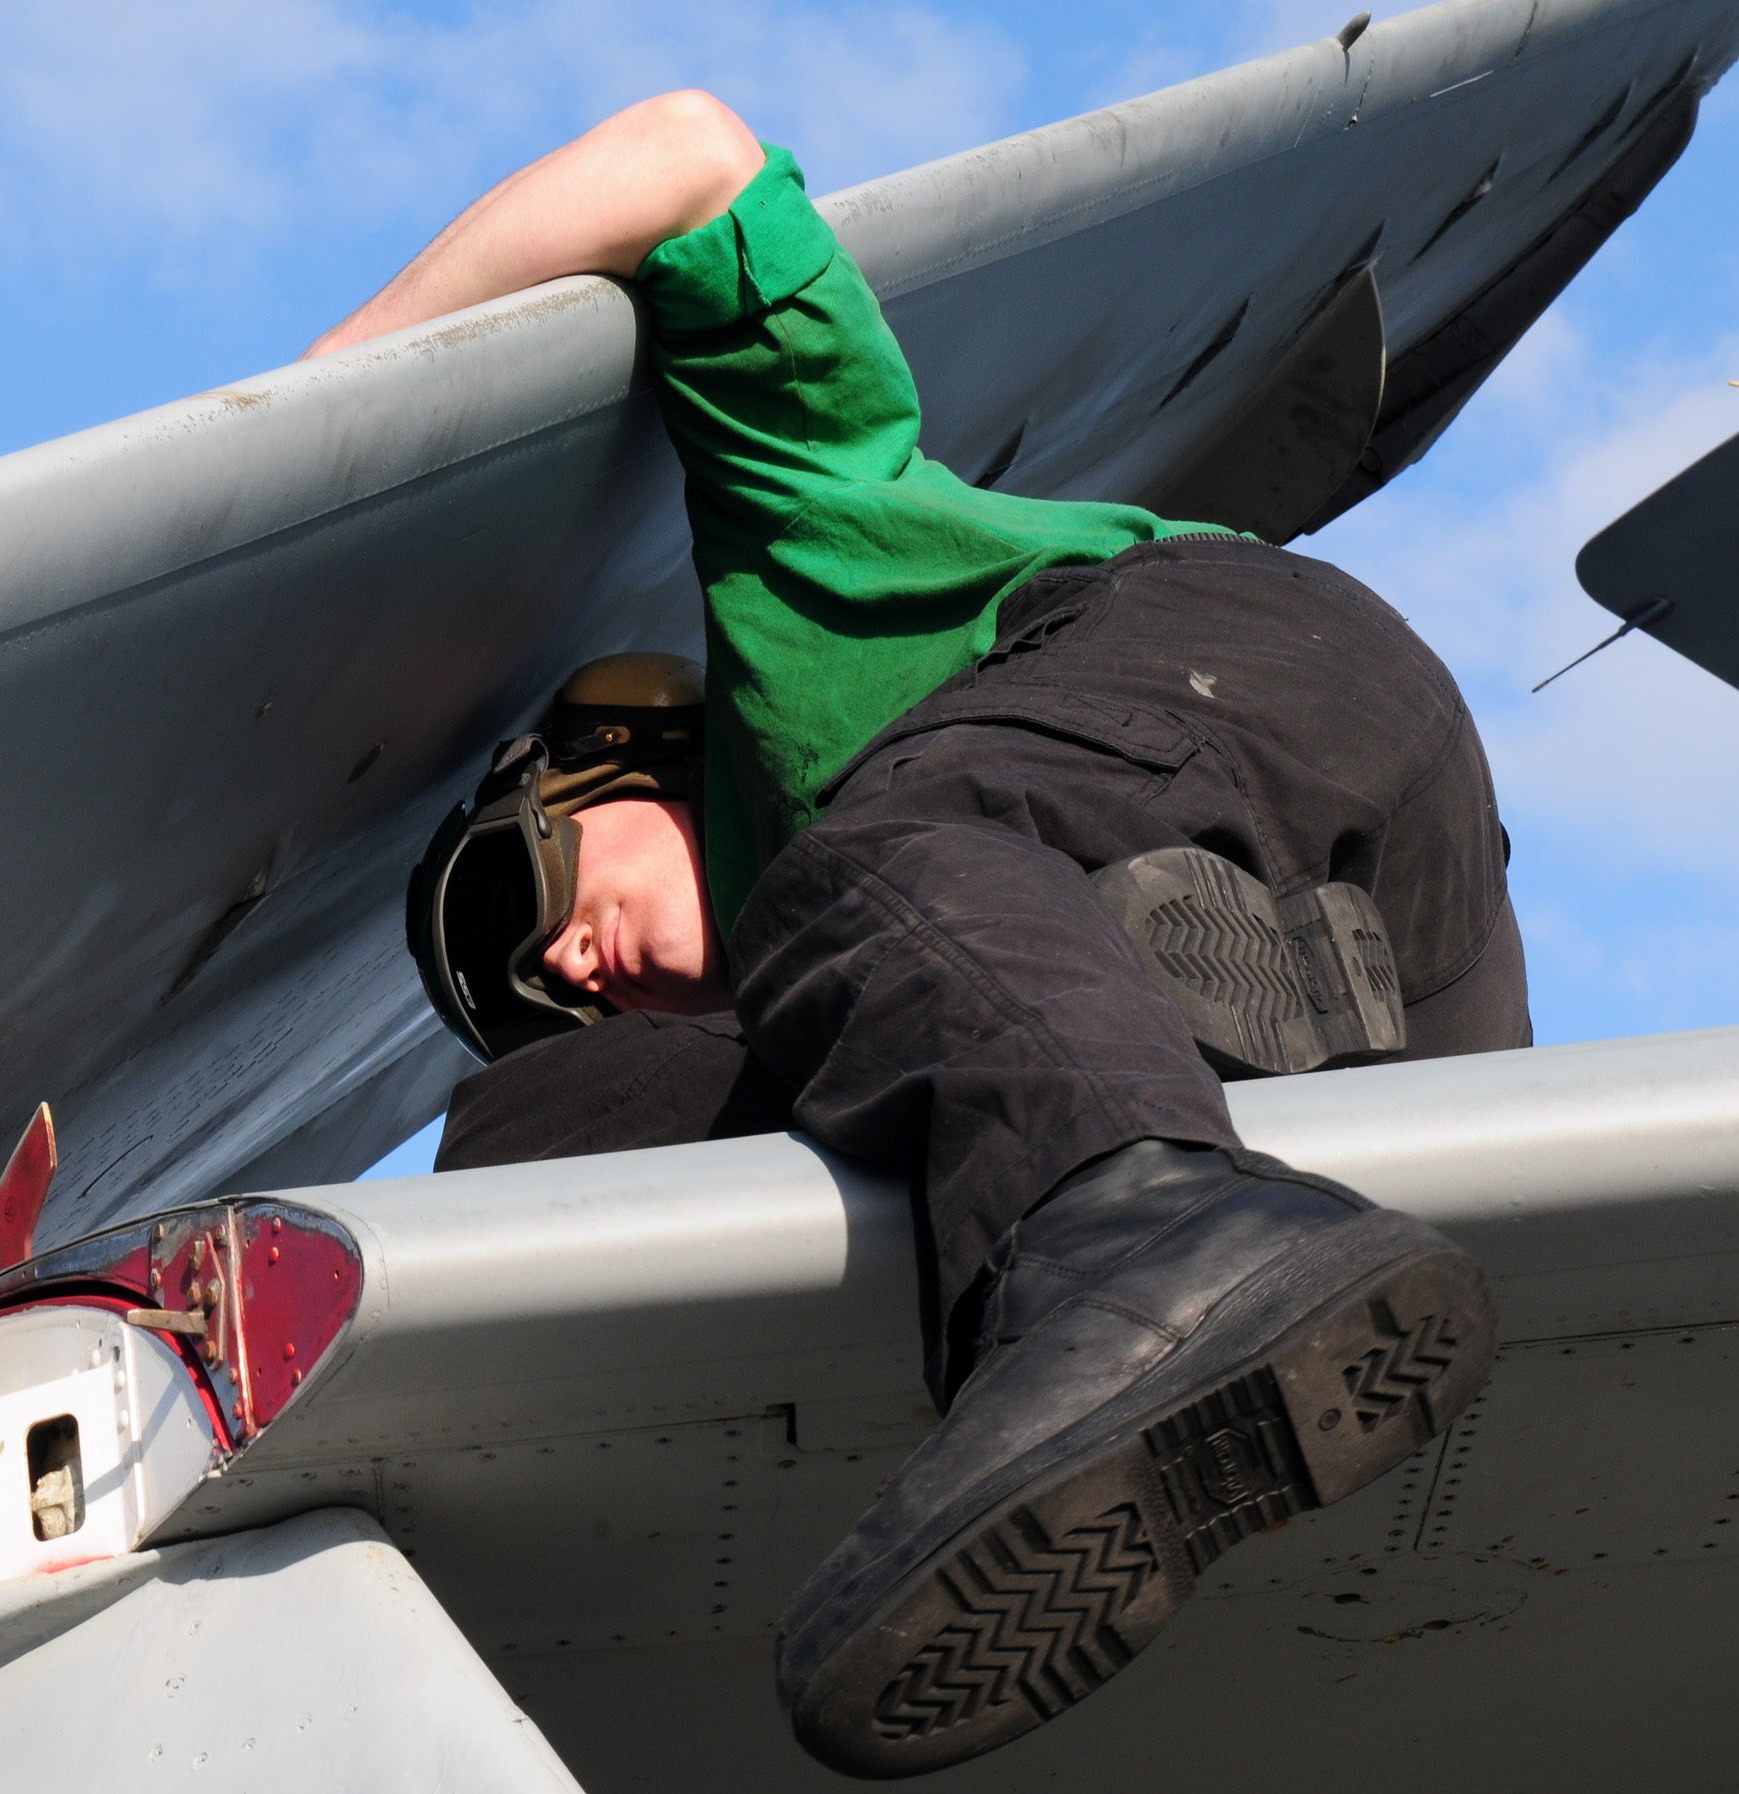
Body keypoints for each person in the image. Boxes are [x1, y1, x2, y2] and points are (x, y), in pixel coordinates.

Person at [314, 94, 1527, 1778]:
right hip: (1397, 951)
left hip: (1221, 671)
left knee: (852, 872)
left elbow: (685, 157)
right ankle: (1194, 1081)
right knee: (569, 1130)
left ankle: (1140, 1238)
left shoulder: (798, 594)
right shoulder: (871, 1002)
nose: (560, 973)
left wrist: (321, 403)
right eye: (521, 996)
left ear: (611, 760)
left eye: (524, 899)